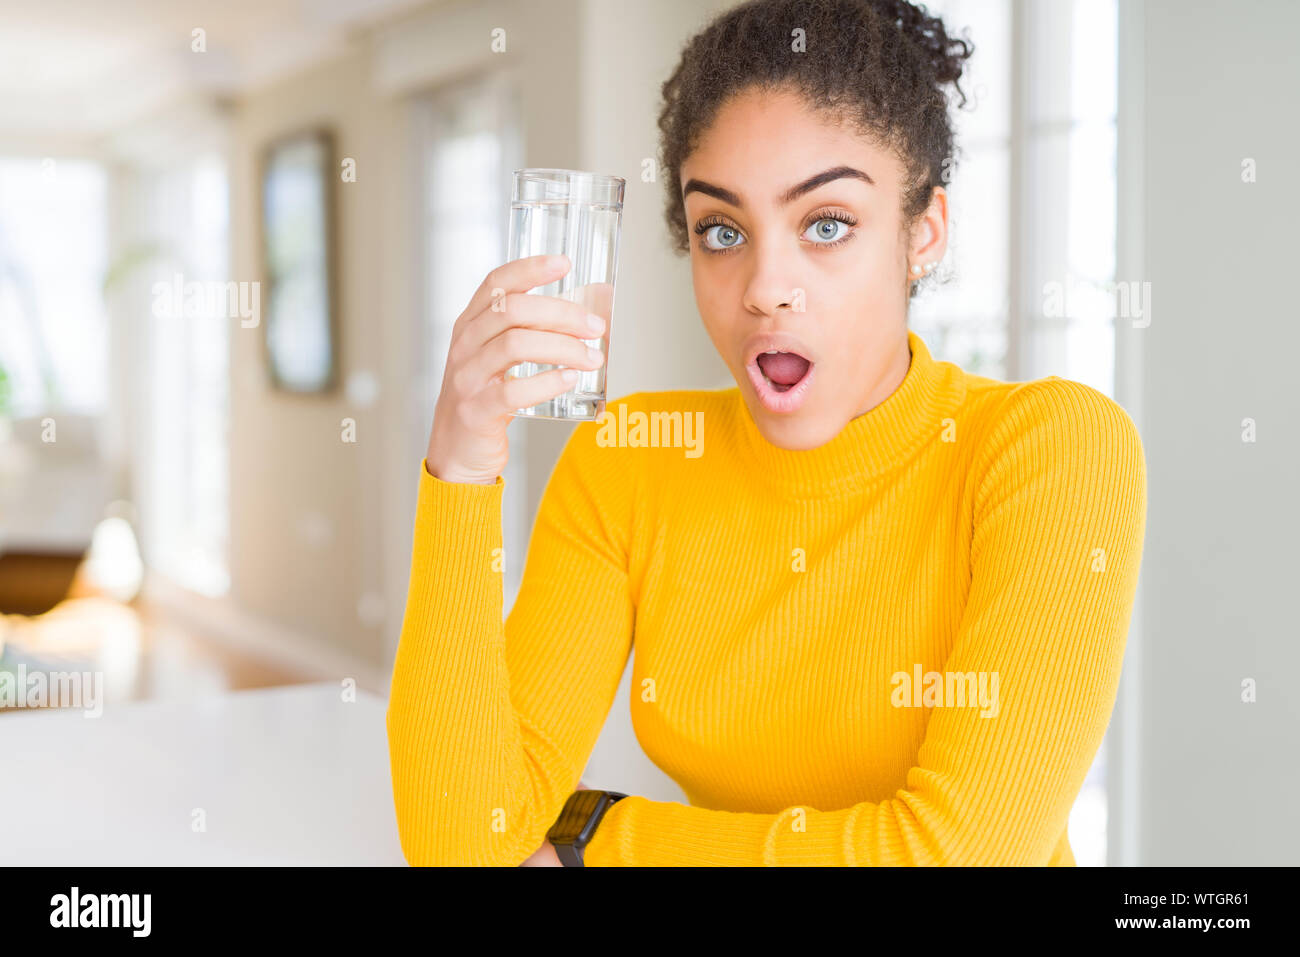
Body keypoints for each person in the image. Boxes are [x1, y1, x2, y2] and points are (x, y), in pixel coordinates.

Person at [386, 0, 1147, 866]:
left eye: (827, 225)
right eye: (723, 231)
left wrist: (598, 836)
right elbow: (463, 840)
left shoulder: (1052, 450)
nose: (763, 288)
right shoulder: (628, 460)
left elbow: (954, 856)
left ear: (922, 234)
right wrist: (460, 465)